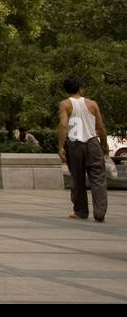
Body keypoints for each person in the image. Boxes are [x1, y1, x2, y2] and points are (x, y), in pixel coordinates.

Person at [58, 77, 109, 222]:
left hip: (74, 144)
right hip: (92, 143)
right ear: (80, 88)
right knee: (98, 179)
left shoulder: (65, 104)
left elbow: (63, 125)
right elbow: (100, 127)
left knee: (77, 178)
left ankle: (80, 211)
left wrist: (61, 146)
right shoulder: (92, 104)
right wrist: (104, 145)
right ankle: (99, 214)